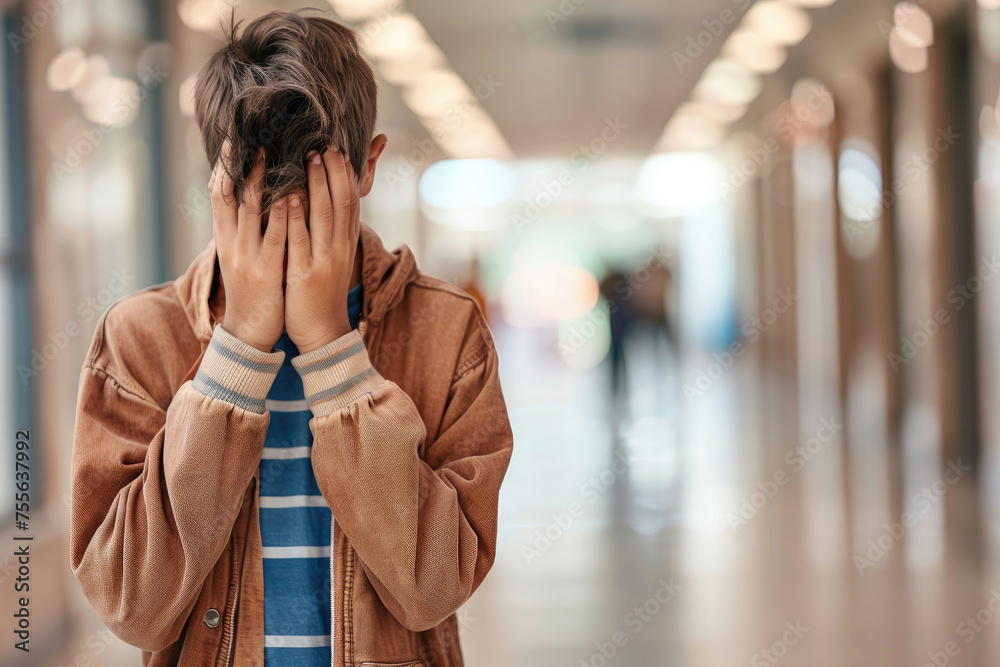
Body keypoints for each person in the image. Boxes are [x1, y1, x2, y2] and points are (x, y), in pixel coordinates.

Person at [68, 10, 513, 667]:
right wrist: (240, 348)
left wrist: (334, 349)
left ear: (368, 168)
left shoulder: (447, 332)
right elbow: (134, 604)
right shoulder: (141, 339)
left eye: (315, 191)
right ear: (218, 185)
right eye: (259, 193)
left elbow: (434, 587)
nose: (288, 224)